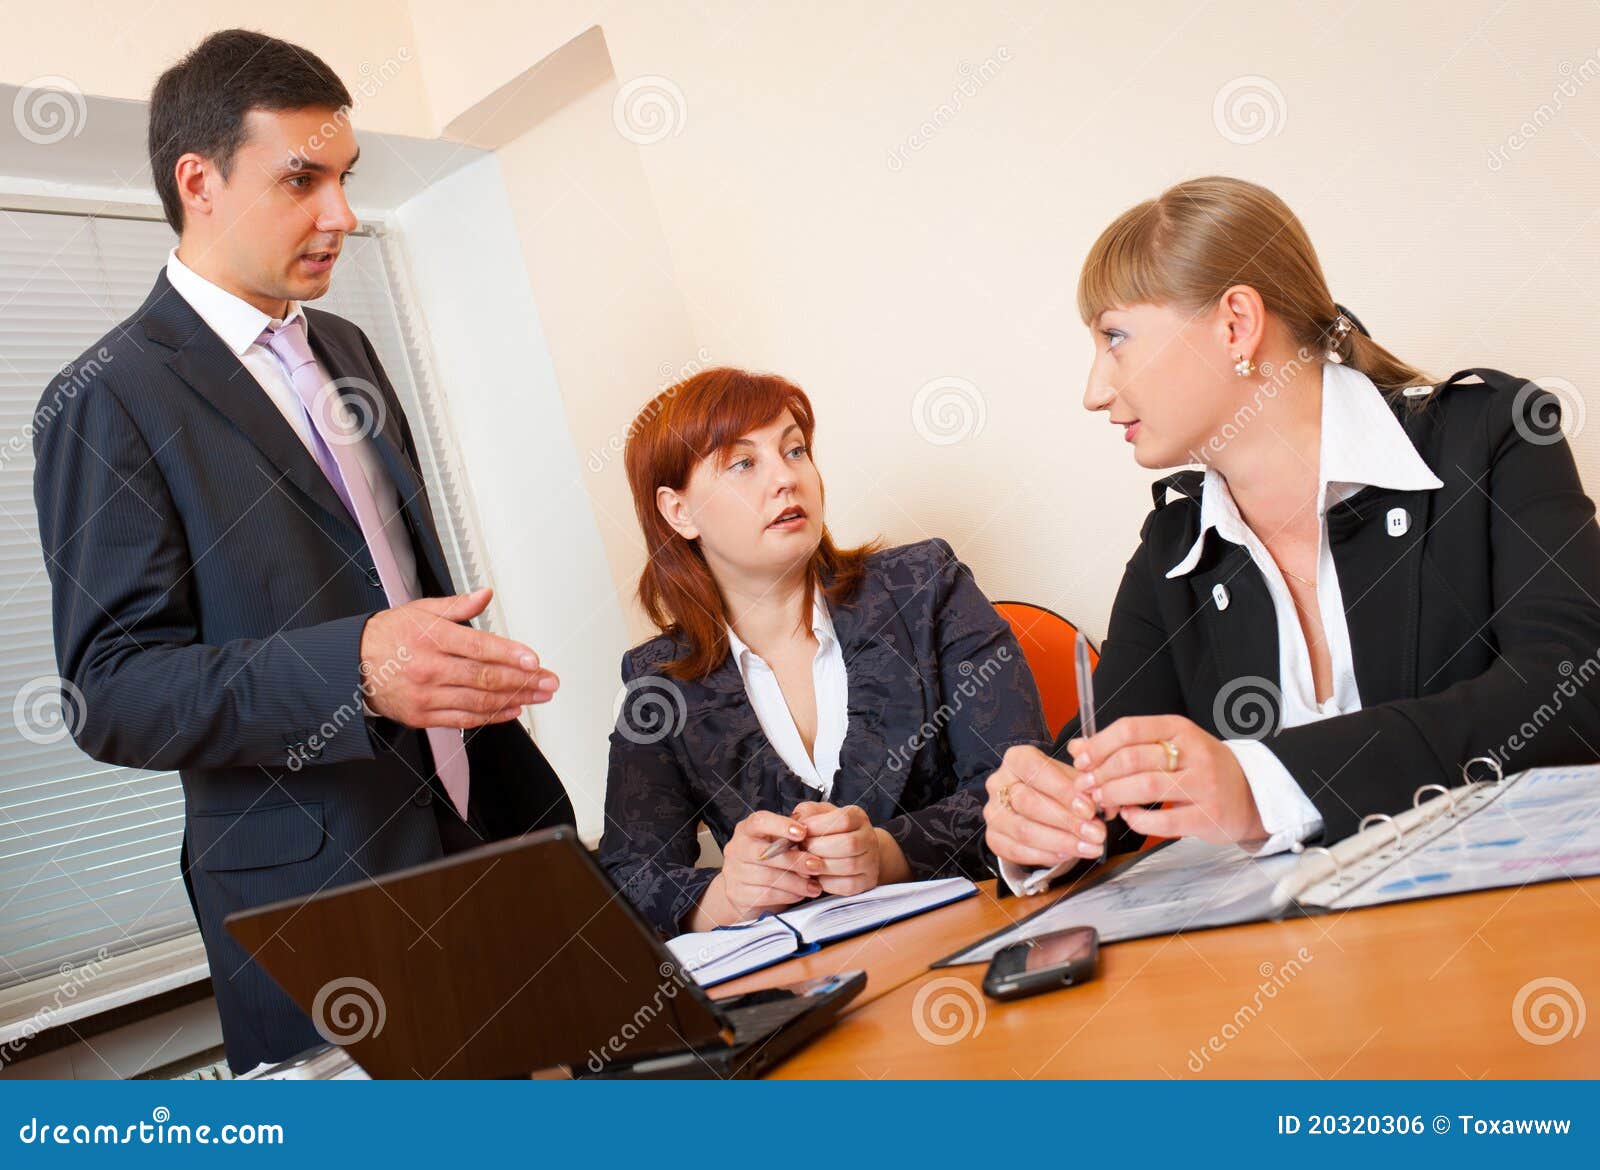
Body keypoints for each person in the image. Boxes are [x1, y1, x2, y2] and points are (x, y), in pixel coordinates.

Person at [31, 30, 573, 1073]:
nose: (343, 215)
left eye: (347, 179)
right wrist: (356, 669)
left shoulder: (350, 350)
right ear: (201, 182)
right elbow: (111, 692)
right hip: (317, 909)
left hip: (482, 843)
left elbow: (390, 577)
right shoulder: (107, 397)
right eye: (303, 180)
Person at [983, 175, 1600, 893]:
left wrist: (1262, 785)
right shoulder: (1175, 542)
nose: (1094, 391)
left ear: (1237, 323)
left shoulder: (1490, 436)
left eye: (1116, 338)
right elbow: (1106, 780)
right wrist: (1039, 820)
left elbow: (1573, 695)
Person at [597, 367, 1049, 936]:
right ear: (678, 512)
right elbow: (627, 877)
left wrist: (887, 854)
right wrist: (724, 896)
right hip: (811, 988)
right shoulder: (657, 681)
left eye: (795, 451)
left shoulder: (926, 587)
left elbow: (1026, 786)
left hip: (977, 945)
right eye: (744, 463)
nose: (786, 479)